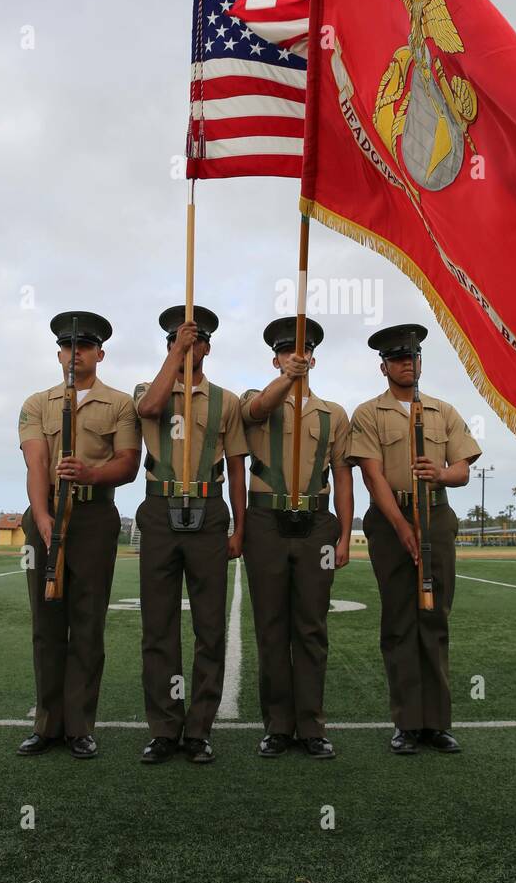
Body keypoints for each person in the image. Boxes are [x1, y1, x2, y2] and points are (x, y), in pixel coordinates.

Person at [346, 324, 481, 755]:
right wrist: (402, 527)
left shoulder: (443, 411)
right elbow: (372, 475)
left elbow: (461, 469)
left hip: (437, 516)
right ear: (383, 366)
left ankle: (437, 723)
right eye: (398, 358)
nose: (408, 363)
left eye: (413, 356)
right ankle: (407, 723)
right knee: (400, 621)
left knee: (435, 617)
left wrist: (440, 474)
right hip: (391, 521)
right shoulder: (368, 413)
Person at [18, 311, 141, 759]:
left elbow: (128, 465)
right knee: (47, 622)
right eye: (69, 347)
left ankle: (79, 727)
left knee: (87, 623)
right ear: (59, 353)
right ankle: (47, 724)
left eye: (85, 347)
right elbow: (35, 463)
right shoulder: (37, 402)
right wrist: (41, 515)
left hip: (94, 516)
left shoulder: (120, 403)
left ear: (99, 353)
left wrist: (90, 471)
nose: (76, 354)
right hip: (46, 514)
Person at [135, 306, 246, 766]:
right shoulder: (148, 386)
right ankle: (164, 728)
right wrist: (174, 356)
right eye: (178, 340)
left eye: (196, 341)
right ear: (168, 345)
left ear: (208, 347)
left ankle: (198, 729)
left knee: (209, 627)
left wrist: (240, 526)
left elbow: (238, 466)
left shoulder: (227, 400)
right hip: (161, 509)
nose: (188, 347)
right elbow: (150, 409)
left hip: (209, 509)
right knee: (159, 626)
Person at [240, 317, 353, 759]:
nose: (295, 357)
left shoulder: (333, 414)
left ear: (314, 357)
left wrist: (344, 532)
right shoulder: (258, 397)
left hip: (316, 525)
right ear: (276, 358)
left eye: (301, 352)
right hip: (266, 522)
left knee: (311, 628)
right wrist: (286, 379)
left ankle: (312, 726)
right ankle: (278, 726)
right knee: (271, 628)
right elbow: (255, 412)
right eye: (286, 352)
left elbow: (343, 477)